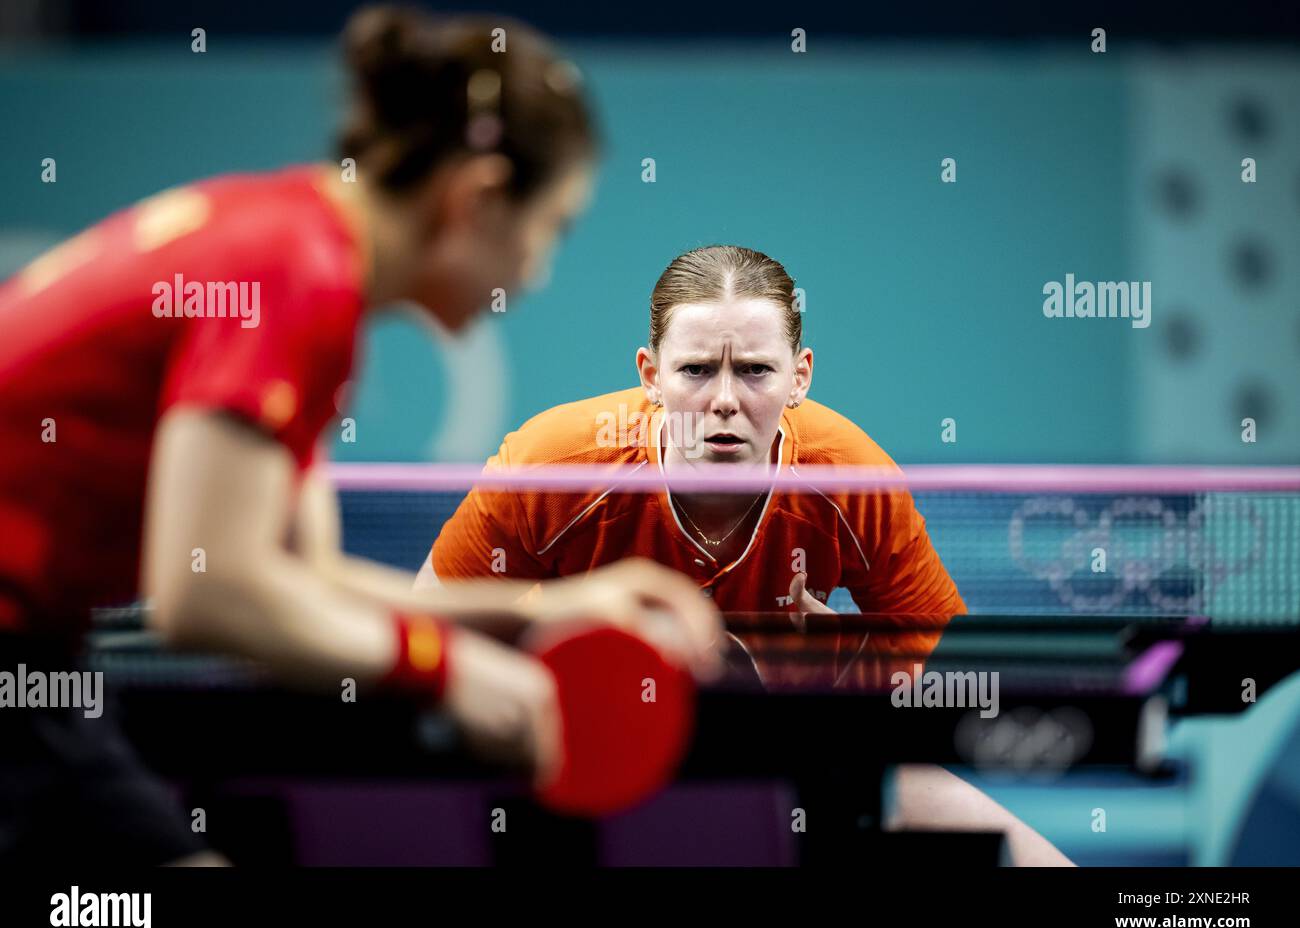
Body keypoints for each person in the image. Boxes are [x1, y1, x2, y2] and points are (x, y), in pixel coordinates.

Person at [0, 7, 720, 866]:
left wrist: (543, 611)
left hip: (34, 671)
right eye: (550, 228)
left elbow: (302, 578)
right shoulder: (295, 273)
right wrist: (447, 671)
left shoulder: (291, 240)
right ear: (481, 198)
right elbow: (207, 593)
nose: (538, 268)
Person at [422, 244, 1074, 865]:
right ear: (651, 376)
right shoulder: (552, 468)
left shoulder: (853, 479)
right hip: (575, 741)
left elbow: (946, 671)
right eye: (697, 370)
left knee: (1008, 849)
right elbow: (429, 618)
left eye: (756, 370)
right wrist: (556, 645)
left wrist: (849, 671)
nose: (726, 399)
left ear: (800, 377)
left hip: (787, 754)